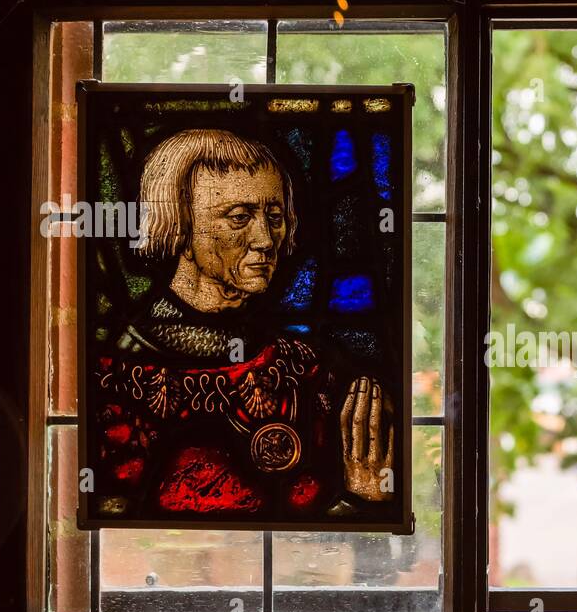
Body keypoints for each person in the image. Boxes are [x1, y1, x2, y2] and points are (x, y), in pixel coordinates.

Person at [91, 128, 393, 519]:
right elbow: (122, 539)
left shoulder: (309, 371)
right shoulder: (119, 380)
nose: (267, 240)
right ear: (178, 223)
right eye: (239, 217)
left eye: (275, 216)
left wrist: (364, 500)